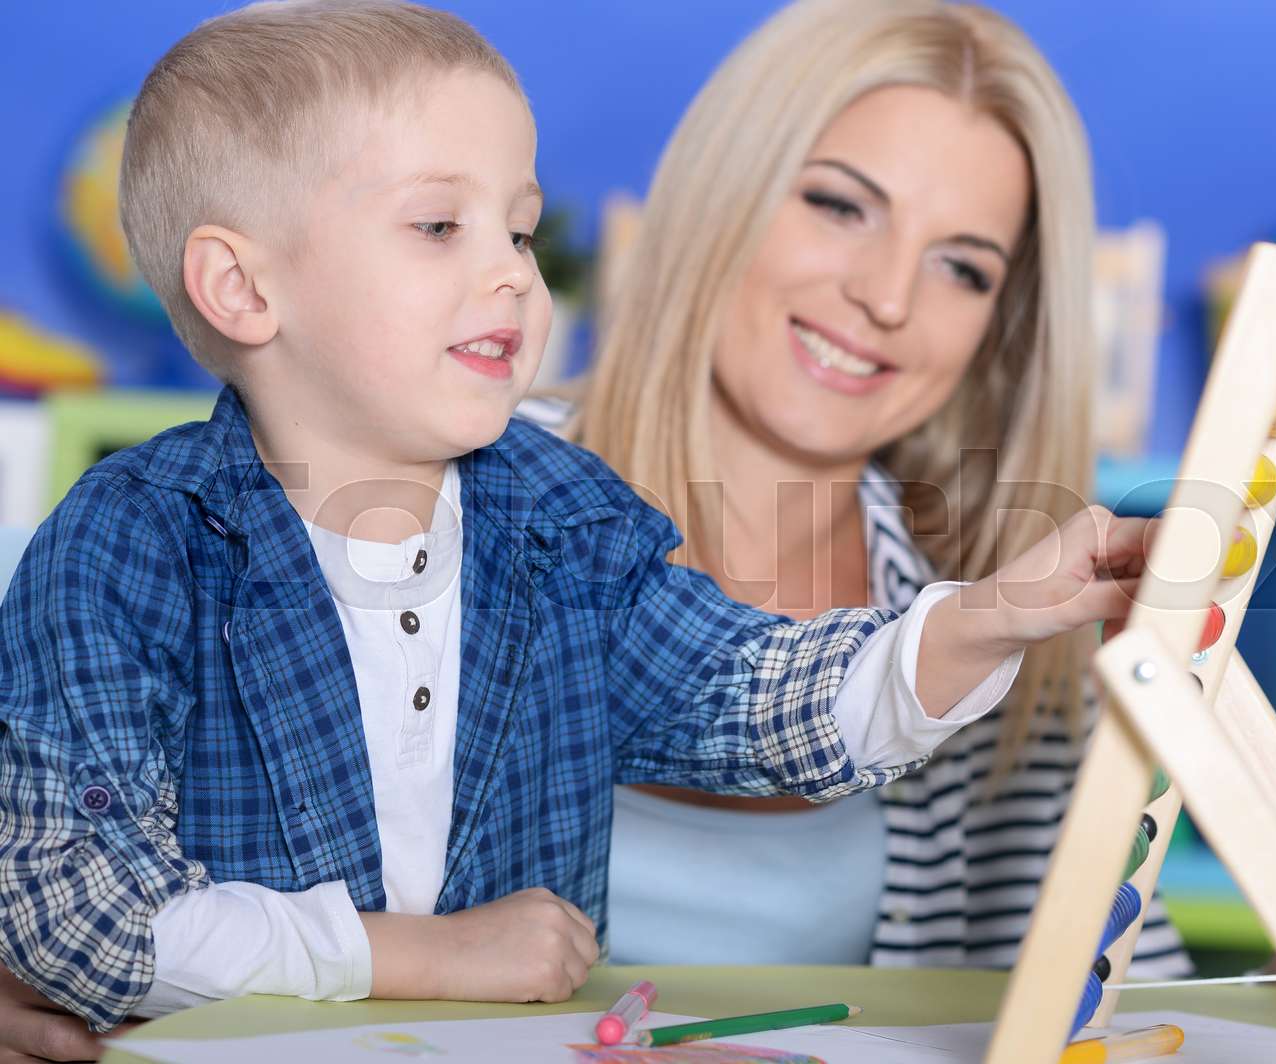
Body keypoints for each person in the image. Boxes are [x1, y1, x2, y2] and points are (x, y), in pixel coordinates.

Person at [0, 0, 1155, 1047]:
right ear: (244, 289)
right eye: (439, 226)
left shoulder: (559, 523)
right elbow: (67, 885)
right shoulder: (133, 543)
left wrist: (987, 615)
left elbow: (750, 691)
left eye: (519, 230)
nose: (510, 274)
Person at [525, 0, 1276, 1023]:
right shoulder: (467, 497)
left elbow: (1119, 983)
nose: (888, 295)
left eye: (962, 266)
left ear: (998, 324)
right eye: (839, 205)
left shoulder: (1006, 622)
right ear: (721, 194)